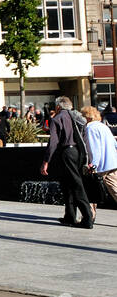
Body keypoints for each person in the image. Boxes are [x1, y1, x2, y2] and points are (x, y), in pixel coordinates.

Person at [42, 95, 91, 228]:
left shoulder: (57, 119)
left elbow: (53, 142)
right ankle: (69, 215)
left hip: (66, 153)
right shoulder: (74, 116)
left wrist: (46, 161)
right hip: (77, 151)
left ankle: (87, 217)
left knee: (75, 183)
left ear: (58, 106)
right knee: (67, 183)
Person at [81, 105, 117, 219]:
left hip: (101, 165)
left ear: (87, 117)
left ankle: (90, 216)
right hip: (112, 162)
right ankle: (89, 215)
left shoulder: (90, 128)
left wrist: (93, 164)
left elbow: (93, 148)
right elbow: (114, 144)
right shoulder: (103, 126)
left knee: (91, 189)